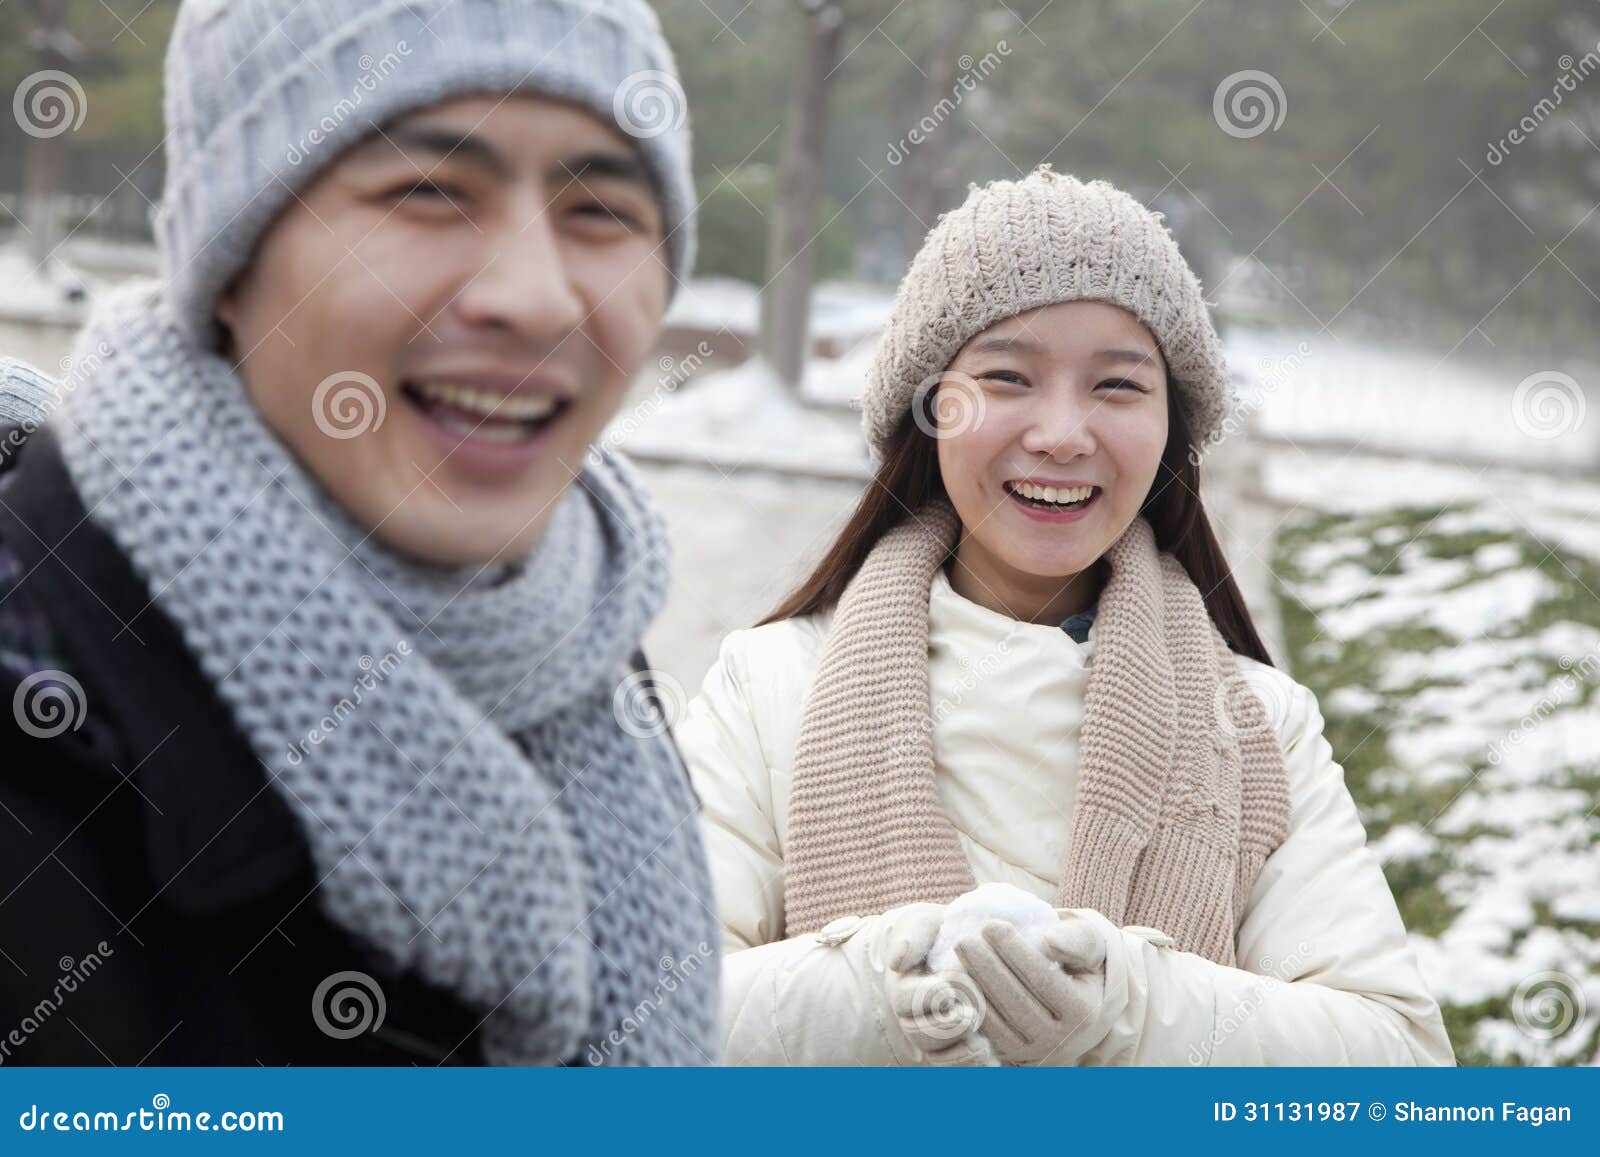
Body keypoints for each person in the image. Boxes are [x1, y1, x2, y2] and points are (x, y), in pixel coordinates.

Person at [0, 0, 719, 1066]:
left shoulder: (577, 646)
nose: (534, 297)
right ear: (229, 263)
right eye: (428, 192)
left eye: (601, 209)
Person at [677, 167, 1455, 1066]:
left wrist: (1124, 1010)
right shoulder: (770, 683)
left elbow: (1398, 1065)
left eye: (1118, 387)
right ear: (930, 408)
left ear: (1174, 427)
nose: (1061, 433)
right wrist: (880, 997)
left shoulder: (1261, 727)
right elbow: (640, 1033)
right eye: (1007, 375)